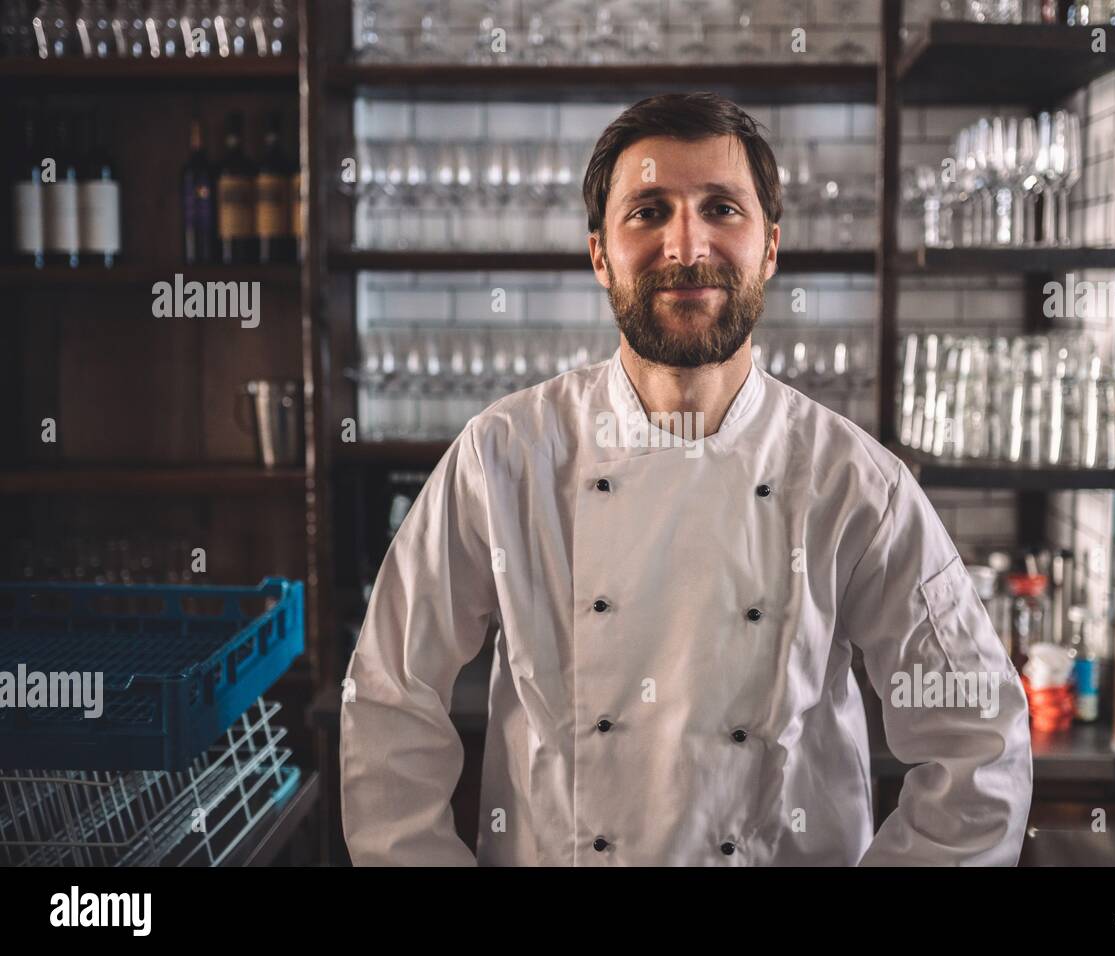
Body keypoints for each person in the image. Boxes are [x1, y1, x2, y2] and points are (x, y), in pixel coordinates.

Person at [341, 92, 1032, 866]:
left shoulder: (855, 485)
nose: (685, 245)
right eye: (647, 211)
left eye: (721, 208)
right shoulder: (503, 457)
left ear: (770, 247)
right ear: (600, 254)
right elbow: (388, 696)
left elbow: (980, 747)